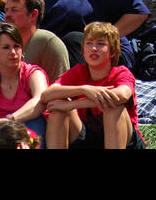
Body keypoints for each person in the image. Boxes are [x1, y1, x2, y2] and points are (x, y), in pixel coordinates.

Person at [42, 19, 140, 148]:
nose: (94, 49)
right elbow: (46, 95)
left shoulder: (121, 73)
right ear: (82, 50)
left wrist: (73, 104)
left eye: (101, 44)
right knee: (57, 113)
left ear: (113, 52)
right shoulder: (77, 72)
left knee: (112, 107)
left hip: (124, 139)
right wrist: (84, 89)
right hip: (86, 137)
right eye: (89, 43)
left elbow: (120, 96)